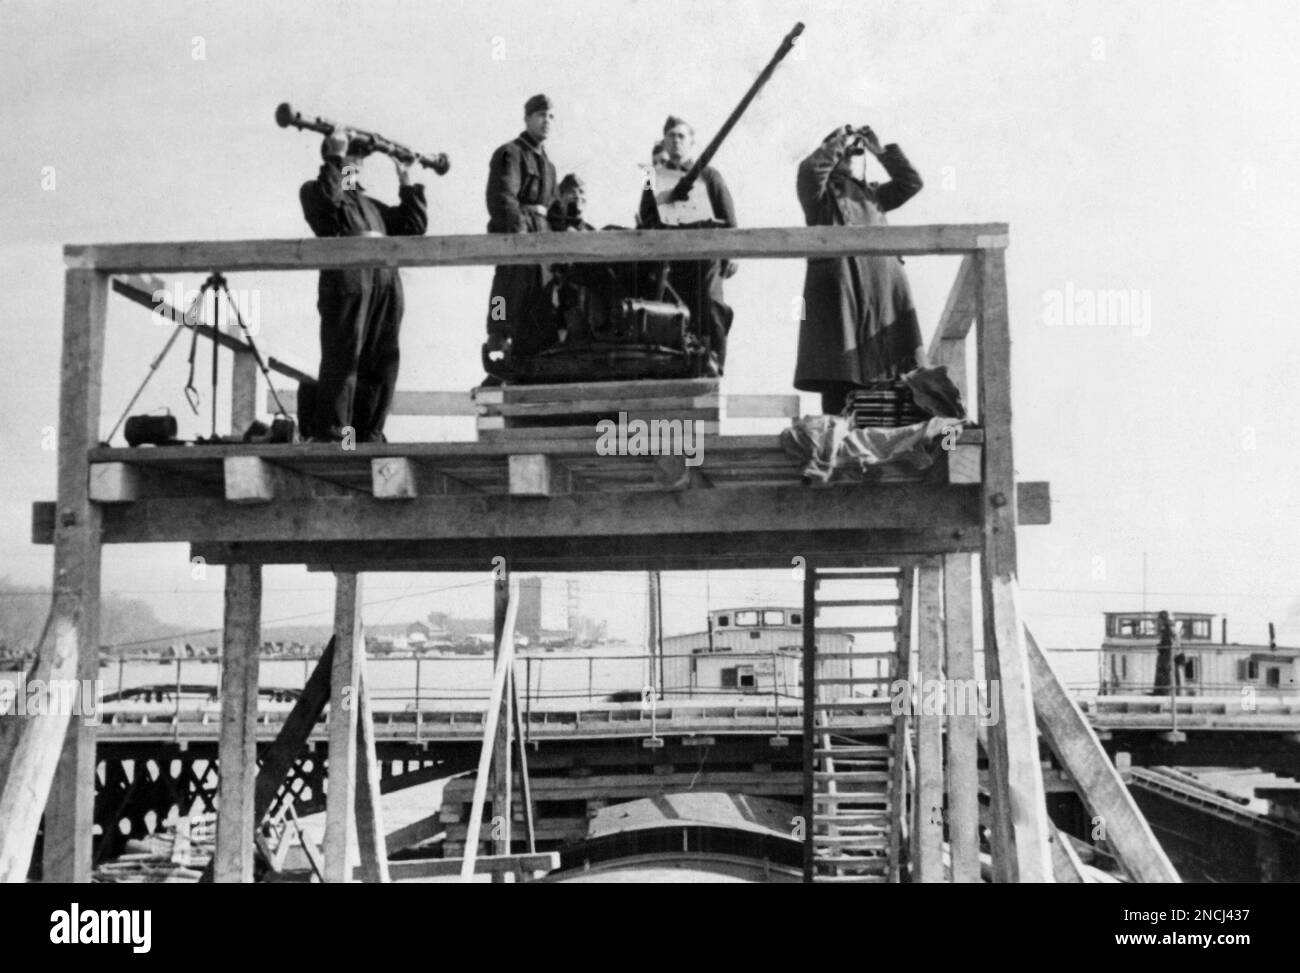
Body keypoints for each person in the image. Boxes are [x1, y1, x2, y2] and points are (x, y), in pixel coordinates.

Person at [299, 127, 428, 442]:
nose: (355, 166)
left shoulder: (372, 207)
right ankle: (336, 435)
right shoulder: (319, 192)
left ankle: (368, 433)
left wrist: (405, 178)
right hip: (349, 279)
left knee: (382, 360)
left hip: (384, 283)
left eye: (359, 161)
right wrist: (335, 157)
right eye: (350, 159)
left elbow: (414, 226)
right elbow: (329, 206)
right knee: (344, 355)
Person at [794, 124, 926, 415]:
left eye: (855, 153)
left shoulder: (873, 195)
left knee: (891, 379)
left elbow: (911, 183)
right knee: (839, 375)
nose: (850, 158)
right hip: (842, 299)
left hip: (883, 298)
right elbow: (809, 170)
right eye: (844, 153)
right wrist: (840, 140)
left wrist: (880, 152)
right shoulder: (820, 198)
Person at [639, 115, 737, 375]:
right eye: (670, 135)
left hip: (706, 259)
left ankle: (716, 370)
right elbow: (646, 216)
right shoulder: (652, 177)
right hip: (673, 260)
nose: (676, 141)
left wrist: (730, 255)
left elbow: (729, 219)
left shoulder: (710, 176)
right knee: (676, 316)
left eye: (681, 136)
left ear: (692, 142)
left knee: (711, 313)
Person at [484, 94, 558, 366]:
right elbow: (503, 199)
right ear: (527, 118)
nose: (546, 121)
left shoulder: (549, 166)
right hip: (517, 242)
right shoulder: (509, 153)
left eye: (551, 116)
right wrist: (521, 240)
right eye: (540, 115)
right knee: (504, 294)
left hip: (543, 247)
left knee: (540, 308)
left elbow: (556, 211)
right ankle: (497, 337)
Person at [1152, 610, 1179, 696]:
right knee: (1163, 673)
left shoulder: (1169, 630)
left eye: (1159, 620)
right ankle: (1161, 691)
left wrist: (1165, 652)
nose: (1158, 623)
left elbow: (1171, 644)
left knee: (1165, 673)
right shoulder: (1169, 629)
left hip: (1167, 656)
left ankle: (1164, 692)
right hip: (1166, 655)